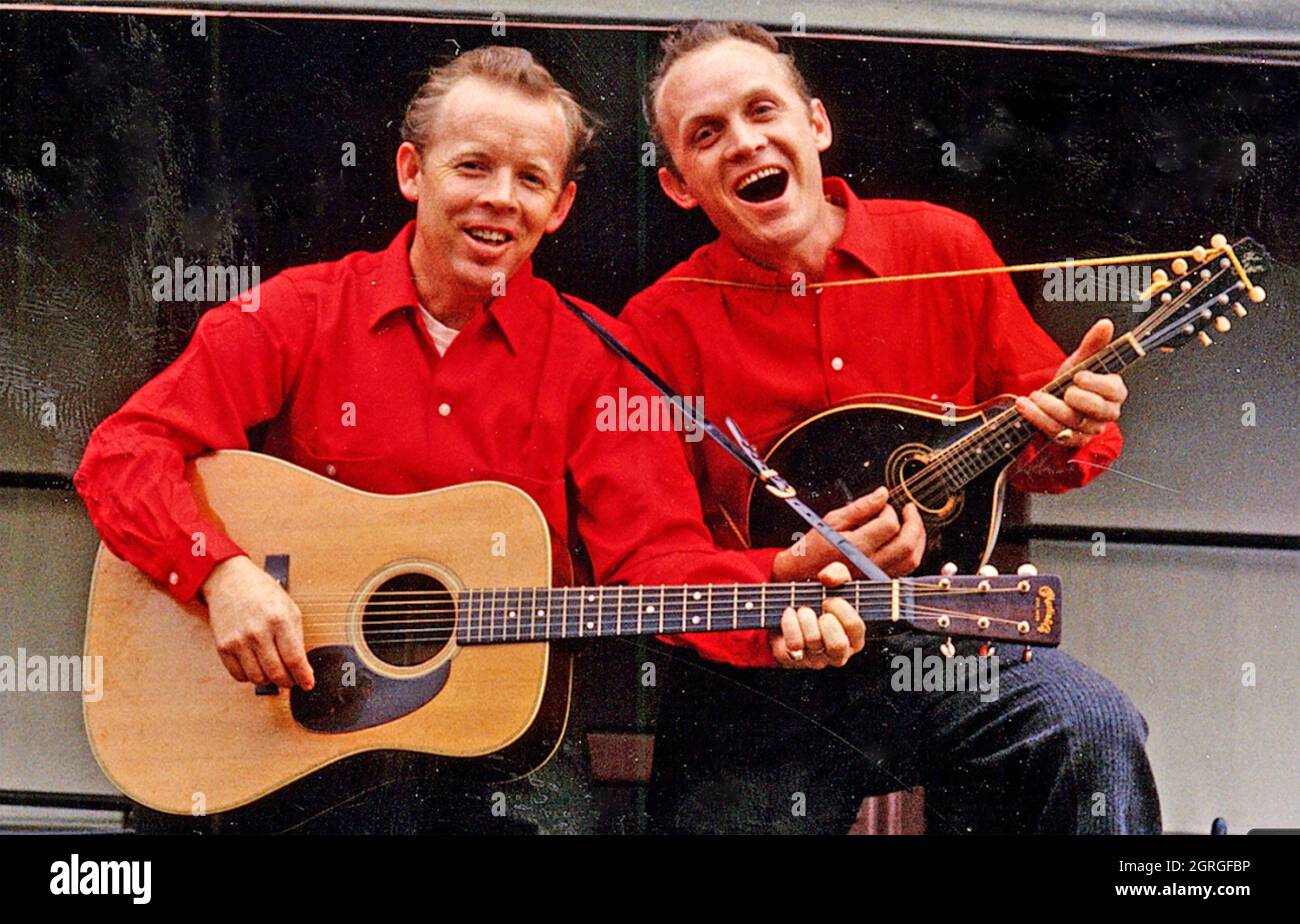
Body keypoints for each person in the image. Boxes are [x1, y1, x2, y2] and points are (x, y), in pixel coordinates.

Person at [73, 45, 860, 833]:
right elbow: (124, 451)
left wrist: (775, 591)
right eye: (474, 167)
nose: (500, 201)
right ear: (413, 171)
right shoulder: (299, 313)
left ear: (560, 207)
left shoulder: (597, 359)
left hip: (498, 749)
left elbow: (656, 562)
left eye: (531, 179)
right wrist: (222, 576)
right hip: (284, 732)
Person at [621, 21, 1161, 833]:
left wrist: (1069, 425)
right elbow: (650, 560)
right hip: (764, 670)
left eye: (761, 110)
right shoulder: (656, 328)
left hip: (940, 646)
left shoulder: (944, 245)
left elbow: (1056, 441)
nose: (742, 142)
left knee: (1089, 726)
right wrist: (782, 581)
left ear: (816, 125)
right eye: (706, 133)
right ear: (679, 186)